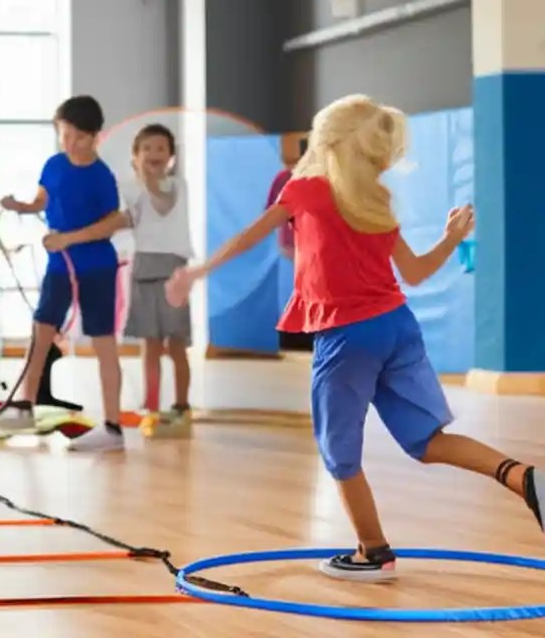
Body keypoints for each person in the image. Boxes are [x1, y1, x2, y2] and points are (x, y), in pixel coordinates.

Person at [166, 94, 543, 581]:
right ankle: (524, 477)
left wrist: (197, 273)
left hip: (346, 336)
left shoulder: (305, 189)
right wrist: (450, 239)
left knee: (339, 452)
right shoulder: (376, 200)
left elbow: (250, 237)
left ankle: (373, 551)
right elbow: (417, 273)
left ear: (327, 141)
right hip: (397, 327)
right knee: (428, 441)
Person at [0, 96, 129, 452]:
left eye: (78, 137)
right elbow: (43, 200)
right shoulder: (53, 165)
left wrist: (66, 238)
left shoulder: (102, 177)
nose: (70, 143)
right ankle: (24, 406)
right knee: (41, 333)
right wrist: (21, 207)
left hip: (97, 267)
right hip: (59, 267)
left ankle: (113, 427)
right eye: (64, 134)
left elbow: (109, 225)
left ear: (95, 137)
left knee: (104, 343)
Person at [123, 124, 192, 419]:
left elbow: (163, 206)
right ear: (136, 155)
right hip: (143, 266)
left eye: (161, 149)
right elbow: (122, 220)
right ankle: (151, 403)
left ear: (171, 157)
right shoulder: (128, 188)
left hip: (173, 269)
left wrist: (148, 181)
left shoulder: (177, 185)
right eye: (147, 148)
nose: (155, 154)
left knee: (176, 342)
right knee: (149, 343)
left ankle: (181, 403)